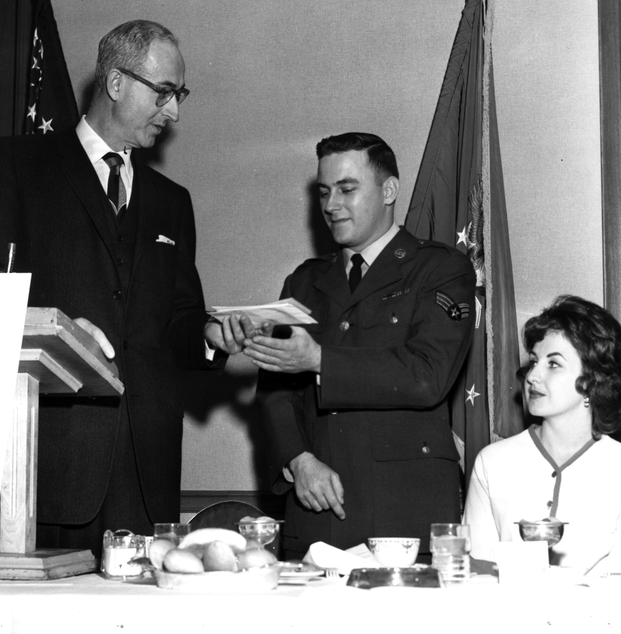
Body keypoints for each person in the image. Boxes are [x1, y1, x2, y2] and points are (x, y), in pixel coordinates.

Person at [0, 20, 252, 556]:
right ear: (116, 82)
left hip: (146, 474)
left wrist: (211, 334)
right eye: (164, 93)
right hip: (48, 466)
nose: (174, 112)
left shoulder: (170, 200)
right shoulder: (18, 166)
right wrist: (58, 328)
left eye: (179, 95)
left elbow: (179, 316)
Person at [246, 132, 476, 558]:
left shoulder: (441, 269)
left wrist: (318, 359)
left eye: (347, 189)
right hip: (317, 509)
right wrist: (298, 460)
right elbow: (275, 391)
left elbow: (427, 376)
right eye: (324, 192)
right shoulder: (304, 281)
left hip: (403, 513)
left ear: (389, 190)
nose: (332, 205)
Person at [463, 295, 621, 573]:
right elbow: (478, 568)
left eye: (553, 363)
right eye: (534, 361)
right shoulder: (493, 461)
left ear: (592, 380)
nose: (532, 376)